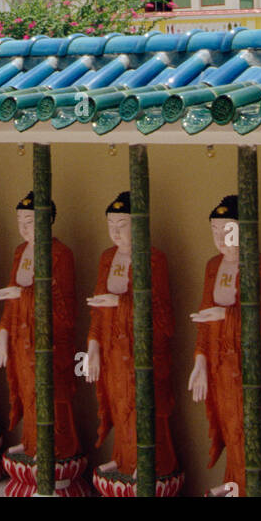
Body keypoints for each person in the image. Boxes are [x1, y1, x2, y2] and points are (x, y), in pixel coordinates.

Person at [189, 195, 261, 496]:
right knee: (233, 432)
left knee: (255, 434)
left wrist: (228, 315)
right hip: (221, 369)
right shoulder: (213, 266)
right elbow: (203, 317)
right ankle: (236, 485)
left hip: (252, 372)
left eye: (228, 231)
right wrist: (200, 362)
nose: (221, 239)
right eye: (215, 231)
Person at [86, 190, 177, 478]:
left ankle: (150, 461)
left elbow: (160, 312)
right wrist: (92, 347)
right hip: (112, 349)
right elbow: (97, 309)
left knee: (142, 407)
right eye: (110, 224)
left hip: (142, 352)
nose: (115, 232)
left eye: (122, 224)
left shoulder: (153, 259)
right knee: (118, 403)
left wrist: (121, 302)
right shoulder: (106, 258)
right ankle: (122, 456)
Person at [0, 191, 79, 459]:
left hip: (48, 342)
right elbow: (10, 297)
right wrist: (3, 334)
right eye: (20, 221)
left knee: (49, 394)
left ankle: (56, 446)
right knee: (27, 391)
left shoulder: (60, 254)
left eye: (30, 221)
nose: (24, 228)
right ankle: (30, 441)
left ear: (47, 221)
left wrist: (25, 295)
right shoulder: (20, 251)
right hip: (20, 337)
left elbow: (64, 308)